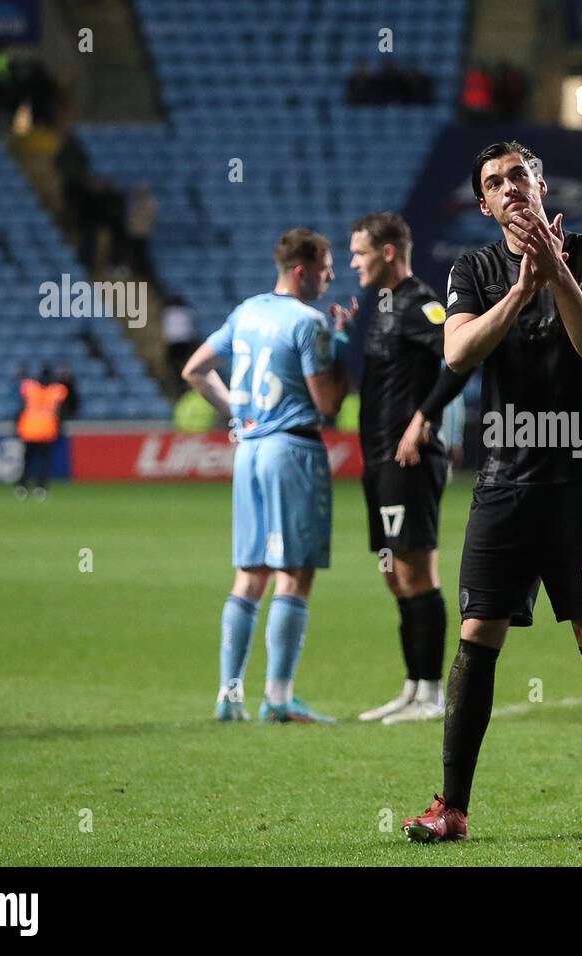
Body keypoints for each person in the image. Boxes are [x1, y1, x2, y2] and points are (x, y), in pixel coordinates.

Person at [401, 140, 582, 843]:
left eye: (518, 176)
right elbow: (458, 353)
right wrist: (521, 290)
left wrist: (555, 272)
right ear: (484, 203)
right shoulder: (472, 268)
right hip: (505, 481)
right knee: (478, 632)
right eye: (494, 182)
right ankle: (453, 809)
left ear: (540, 183)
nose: (509, 188)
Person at [181, 228, 350, 723]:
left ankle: (228, 695)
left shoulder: (247, 311)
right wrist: (340, 343)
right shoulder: (310, 323)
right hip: (291, 449)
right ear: (302, 271)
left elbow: (194, 370)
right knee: (294, 574)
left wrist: (237, 407)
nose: (332, 275)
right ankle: (278, 697)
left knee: (249, 574)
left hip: (249, 449)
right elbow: (329, 404)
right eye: (326, 267)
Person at [336, 211, 470, 725]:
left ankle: (433, 693)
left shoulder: (423, 305)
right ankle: (413, 687)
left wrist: (424, 418)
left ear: (388, 252)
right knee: (393, 572)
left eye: (360, 252)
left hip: (409, 457)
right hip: (377, 458)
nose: (354, 263)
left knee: (417, 571)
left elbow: (462, 358)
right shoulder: (382, 306)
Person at [15, 366, 69, 500]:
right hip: (46, 430)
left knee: (28, 461)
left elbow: (21, 402)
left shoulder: (30, 387)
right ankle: (41, 488)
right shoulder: (57, 390)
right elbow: (60, 411)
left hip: (29, 430)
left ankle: (22, 487)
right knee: (43, 462)